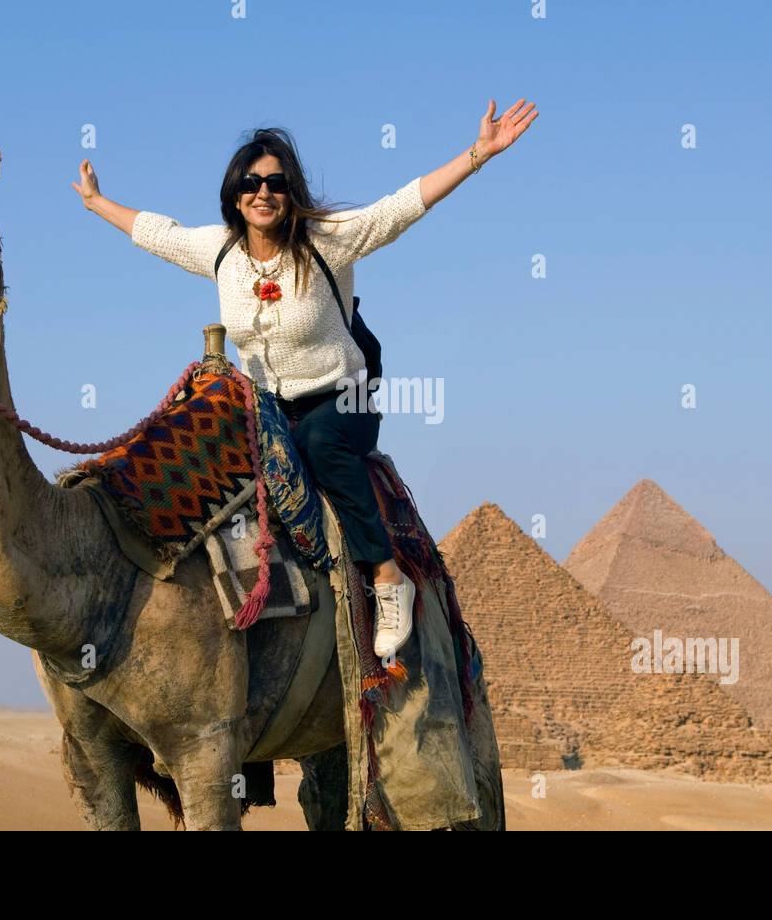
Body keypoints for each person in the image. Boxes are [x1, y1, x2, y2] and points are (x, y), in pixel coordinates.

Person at [73, 100, 537, 657]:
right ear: (234, 192)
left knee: (318, 444)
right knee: (189, 439)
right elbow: (157, 232)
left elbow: (402, 206)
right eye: (251, 181)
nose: (262, 192)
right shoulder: (220, 250)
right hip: (265, 406)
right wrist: (98, 203)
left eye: (275, 182)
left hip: (342, 399)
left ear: (291, 191)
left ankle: (388, 577)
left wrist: (478, 154)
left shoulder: (329, 240)